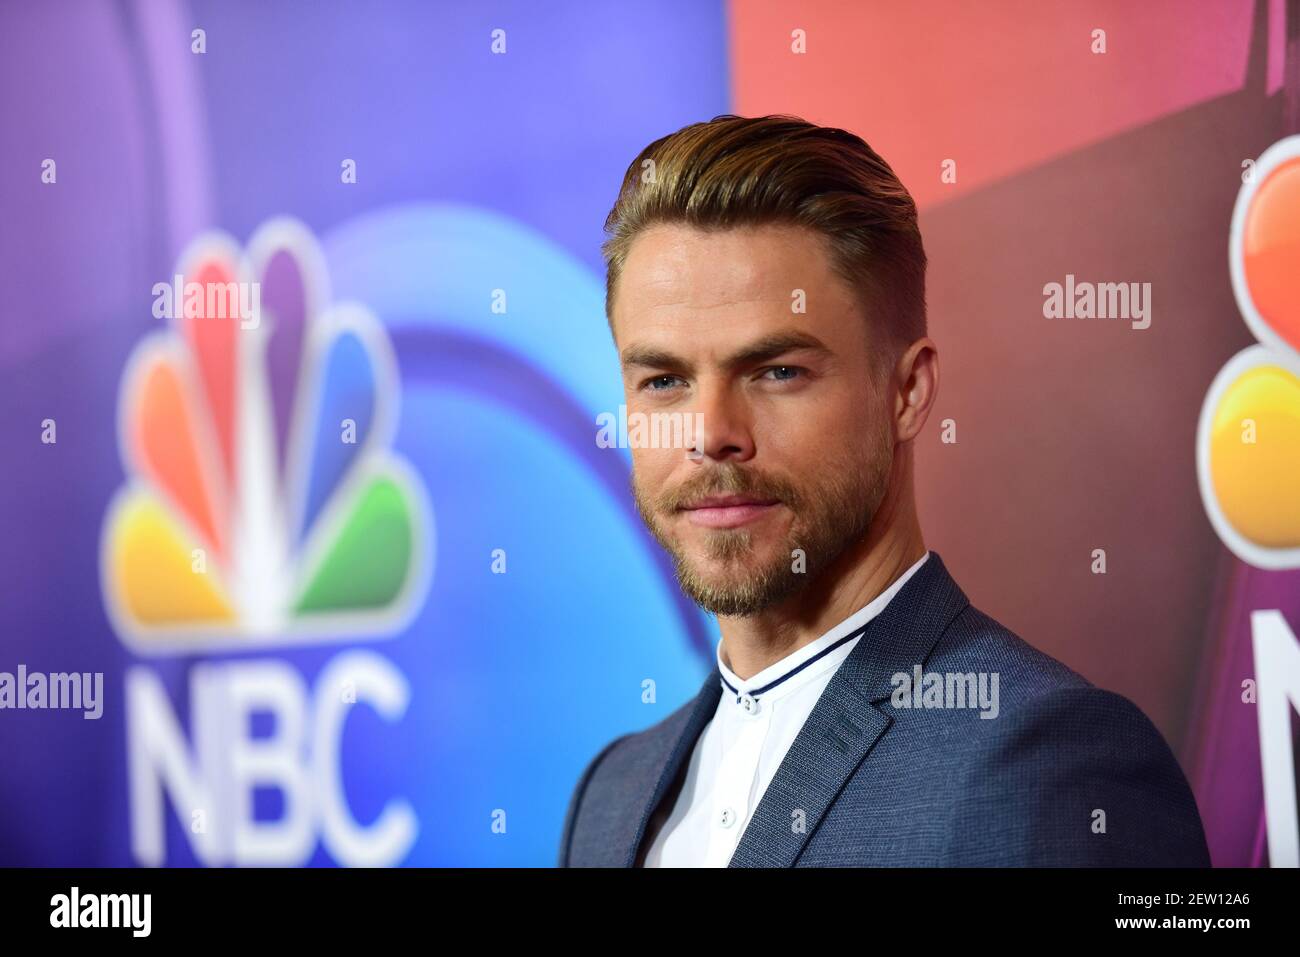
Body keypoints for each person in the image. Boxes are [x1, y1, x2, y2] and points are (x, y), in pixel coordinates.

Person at [559, 114, 1210, 867]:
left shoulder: (1053, 767)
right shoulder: (610, 795)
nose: (710, 433)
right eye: (664, 381)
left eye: (777, 371)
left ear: (906, 390)